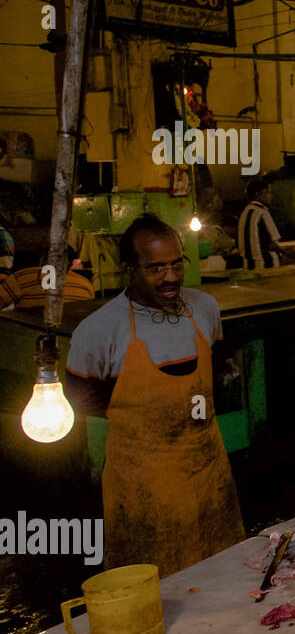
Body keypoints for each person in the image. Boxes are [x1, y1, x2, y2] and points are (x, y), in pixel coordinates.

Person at [64, 214, 244, 578]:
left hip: (209, 475)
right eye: (156, 268)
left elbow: (218, 367)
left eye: (177, 264)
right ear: (129, 269)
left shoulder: (204, 309)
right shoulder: (98, 331)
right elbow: (78, 402)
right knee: (155, 588)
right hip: (142, 489)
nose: (171, 277)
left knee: (224, 578)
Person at [237, 178, 295, 270]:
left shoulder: (245, 212)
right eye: (267, 192)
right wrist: (287, 252)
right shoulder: (262, 212)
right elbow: (271, 243)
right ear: (258, 194)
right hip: (266, 264)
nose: (270, 196)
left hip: (248, 265)